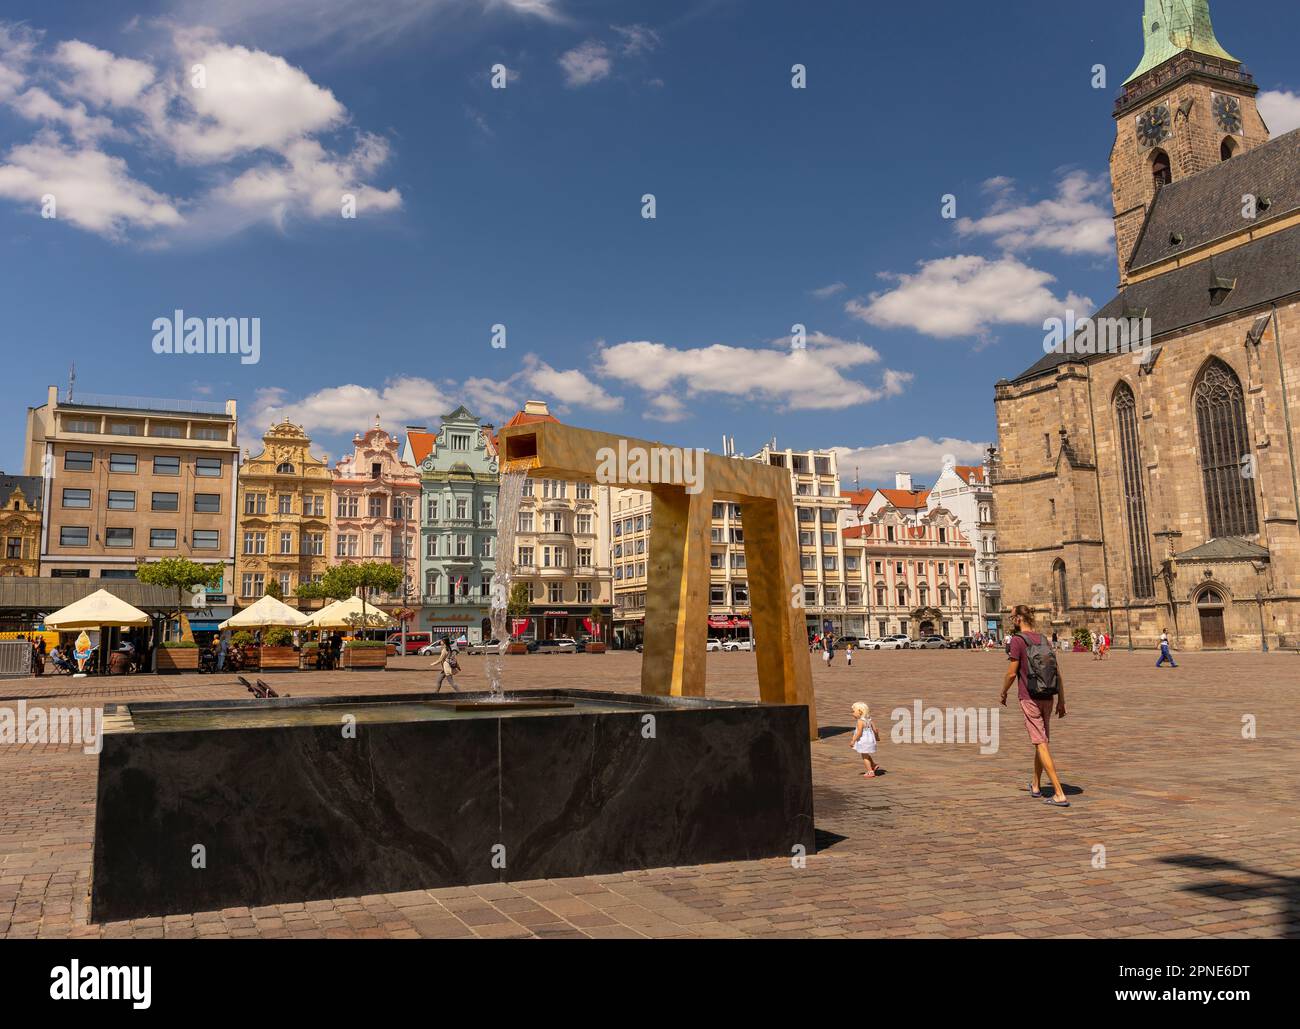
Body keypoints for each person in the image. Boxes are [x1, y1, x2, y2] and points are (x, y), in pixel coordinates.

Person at [1002, 604, 1069, 808]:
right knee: (1041, 742)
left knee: (1040, 742)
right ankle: (1036, 784)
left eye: (1013, 617)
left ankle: (1059, 793)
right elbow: (1057, 672)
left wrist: (1003, 691)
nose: (1012, 620)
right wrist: (1062, 700)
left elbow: (1012, 673)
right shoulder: (1042, 639)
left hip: (1029, 696)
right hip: (1048, 696)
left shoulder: (1017, 640)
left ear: (1020, 619)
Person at [849, 702, 882, 777]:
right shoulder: (869, 720)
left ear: (860, 712)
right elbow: (875, 730)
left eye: (853, 711)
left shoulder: (860, 721)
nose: (852, 713)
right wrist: (877, 737)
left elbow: (859, 733)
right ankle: (873, 765)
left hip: (863, 741)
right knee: (866, 754)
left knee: (864, 757)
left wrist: (853, 740)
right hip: (870, 740)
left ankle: (870, 771)